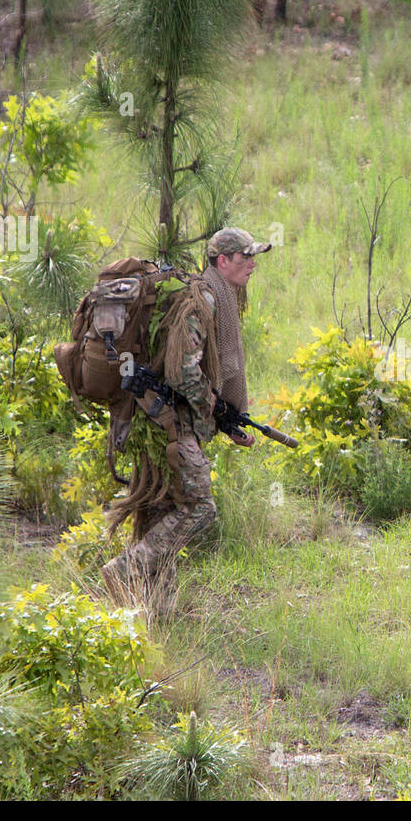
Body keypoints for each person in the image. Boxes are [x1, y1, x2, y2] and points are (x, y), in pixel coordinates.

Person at [100, 227, 270, 614]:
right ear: (222, 261)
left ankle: (153, 607)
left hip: (159, 418)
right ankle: (125, 569)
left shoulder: (215, 298)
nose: (253, 266)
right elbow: (183, 371)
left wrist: (225, 421)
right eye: (246, 258)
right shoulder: (203, 302)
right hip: (164, 420)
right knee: (199, 507)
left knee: (161, 507)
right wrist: (211, 409)